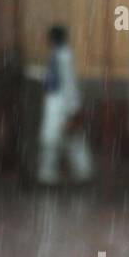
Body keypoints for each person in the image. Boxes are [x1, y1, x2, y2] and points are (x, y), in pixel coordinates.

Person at [37, 25, 93, 185]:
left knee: (64, 140)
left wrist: (73, 109)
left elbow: (69, 84)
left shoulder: (63, 57)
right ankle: (51, 173)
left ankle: (80, 172)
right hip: (56, 103)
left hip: (62, 105)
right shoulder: (57, 55)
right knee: (58, 140)